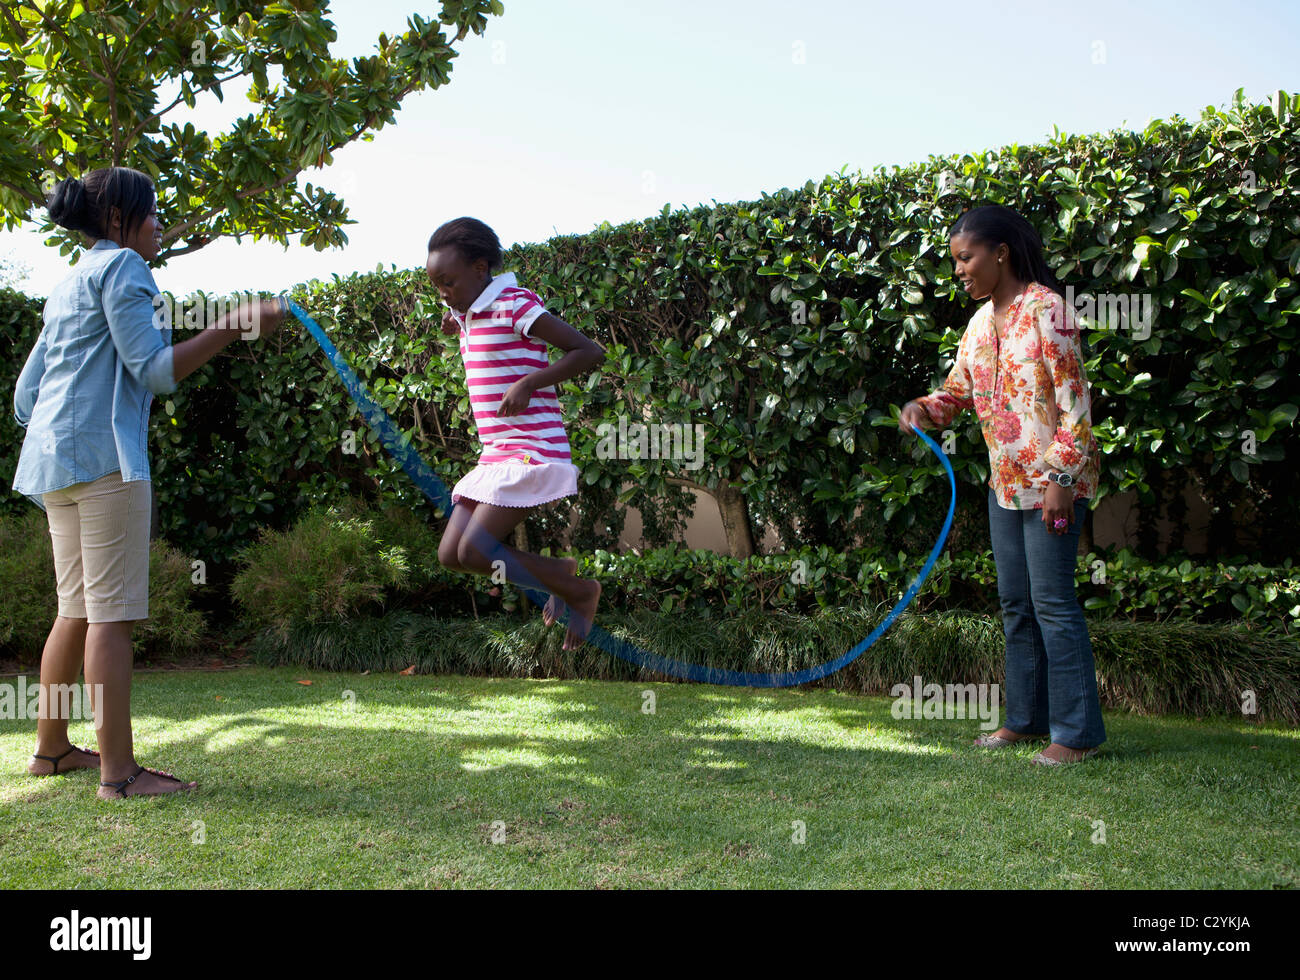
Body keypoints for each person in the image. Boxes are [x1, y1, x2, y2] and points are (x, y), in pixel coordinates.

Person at [12, 166, 286, 798]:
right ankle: (120, 774)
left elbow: (27, 395)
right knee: (111, 617)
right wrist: (235, 324)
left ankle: (51, 752)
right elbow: (157, 372)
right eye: (152, 212)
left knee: (74, 610)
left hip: (55, 464)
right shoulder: (126, 271)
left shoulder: (66, 283)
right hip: (107, 462)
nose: (160, 223)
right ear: (116, 220)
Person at [899, 203, 1105, 765]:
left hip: (1054, 485)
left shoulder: (1049, 311)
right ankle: (1025, 721)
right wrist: (922, 407)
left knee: (1053, 603)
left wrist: (1062, 477)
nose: (959, 271)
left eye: (966, 258)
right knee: (1017, 605)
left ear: (1000, 253)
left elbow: (1075, 405)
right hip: (1005, 487)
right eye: (955, 262)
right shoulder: (976, 324)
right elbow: (957, 394)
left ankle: (1077, 735)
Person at [426, 217, 604, 650]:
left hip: (532, 448)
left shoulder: (513, 303)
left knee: (475, 551)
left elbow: (589, 351)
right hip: (497, 452)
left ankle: (577, 590)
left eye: (448, 282)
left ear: (480, 268)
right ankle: (559, 573)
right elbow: (466, 316)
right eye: (436, 286)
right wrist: (456, 318)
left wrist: (530, 383)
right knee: (451, 556)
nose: (443, 294)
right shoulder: (468, 311)